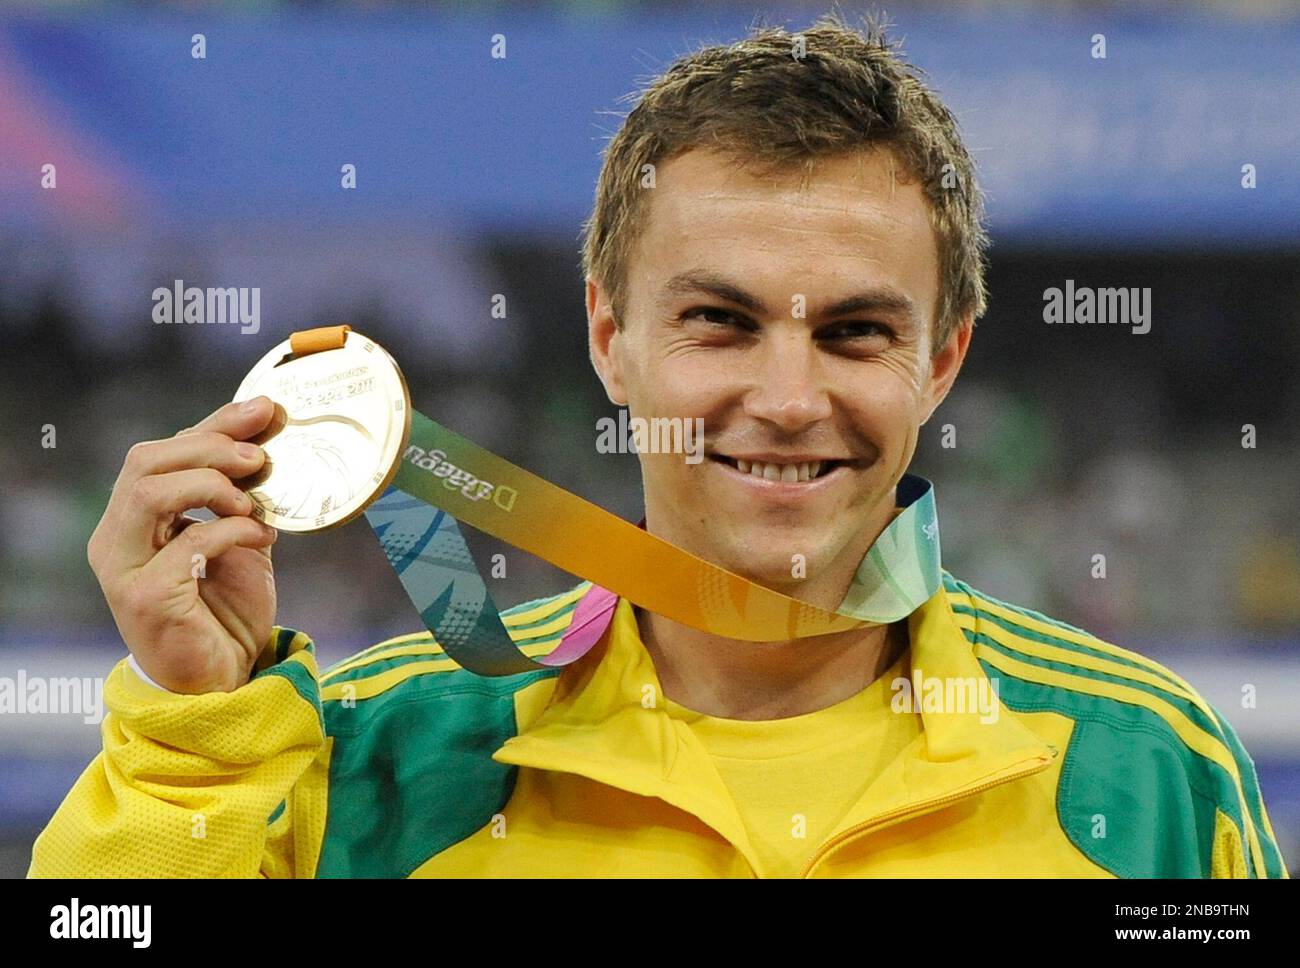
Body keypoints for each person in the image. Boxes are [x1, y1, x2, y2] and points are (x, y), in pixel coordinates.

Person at [29, 13, 1286, 878]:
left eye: (855, 331)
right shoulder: (374, 754)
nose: (788, 398)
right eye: (717, 321)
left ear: (942, 359)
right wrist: (192, 742)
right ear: (608, 335)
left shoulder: (1151, 769)